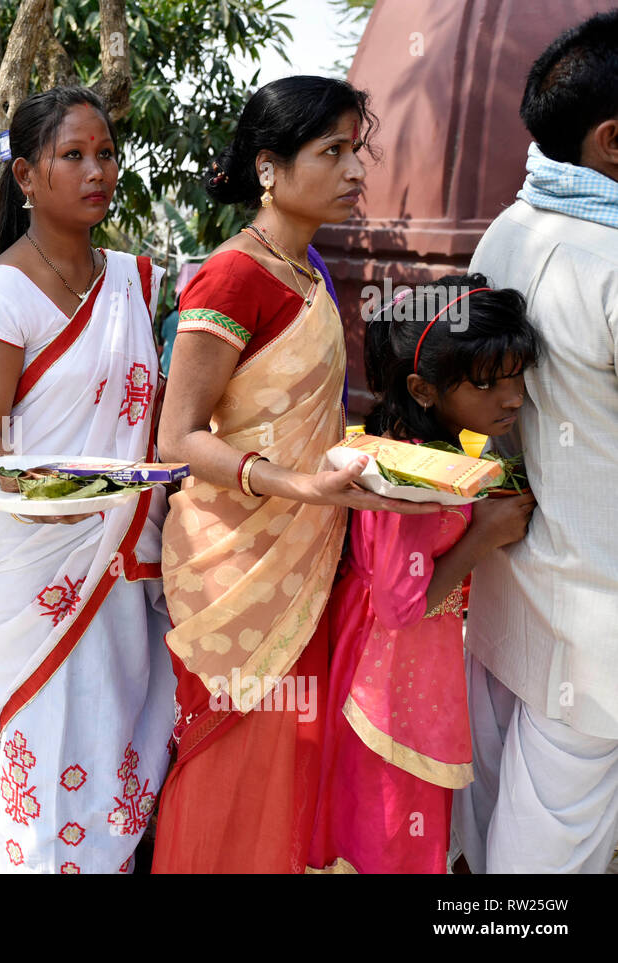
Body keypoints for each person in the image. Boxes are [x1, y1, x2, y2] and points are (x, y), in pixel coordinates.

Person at [152, 76, 435, 874]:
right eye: (332, 151)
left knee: (290, 756)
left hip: (308, 548)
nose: (354, 171)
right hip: (237, 563)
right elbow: (178, 436)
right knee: (232, 761)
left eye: (357, 151)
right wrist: (301, 486)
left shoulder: (308, 268)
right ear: (270, 167)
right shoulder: (232, 277)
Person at [0, 86, 175, 874]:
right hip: (44, 556)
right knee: (47, 742)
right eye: (73, 155)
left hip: (127, 550)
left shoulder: (134, 280)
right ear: (24, 175)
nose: (96, 171)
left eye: (106, 153)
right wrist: (53, 498)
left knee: (122, 728)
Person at [453, 10, 618, 874]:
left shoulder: (507, 231)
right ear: (614, 140)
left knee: (486, 831)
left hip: (510, 596)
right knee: (542, 868)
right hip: (595, 625)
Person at [309, 278, 539, 874]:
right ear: (424, 389)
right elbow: (399, 604)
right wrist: (483, 536)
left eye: (517, 377)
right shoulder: (411, 476)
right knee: (393, 831)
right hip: (389, 680)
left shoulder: (412, 448)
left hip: (393, 669)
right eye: (488, 383)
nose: (512, 398)